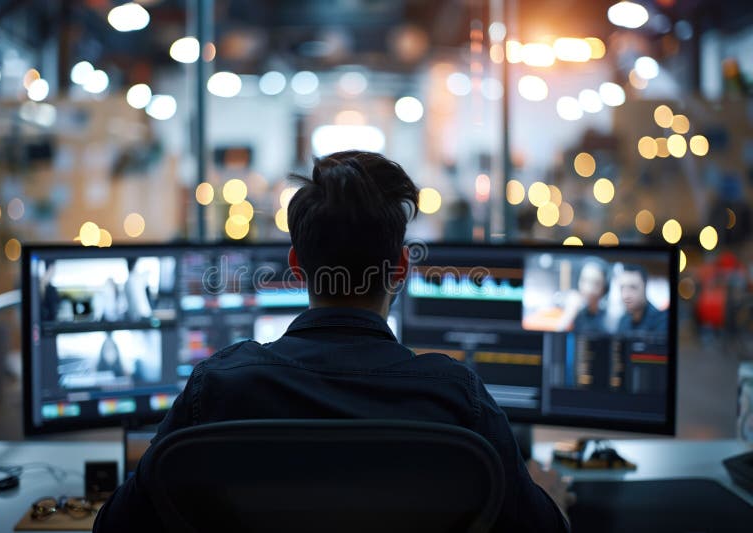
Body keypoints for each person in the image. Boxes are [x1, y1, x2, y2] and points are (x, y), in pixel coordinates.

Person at [94, 151, 572, 532]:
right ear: (402, 267)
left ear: (296, 264)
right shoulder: (455, 398)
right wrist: (548, 492)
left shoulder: (217, 389)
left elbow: (116, 526)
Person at [617, 264, 667, 334]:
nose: (625, 295)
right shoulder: (623, 321)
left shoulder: (661, 321)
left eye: (633, 287)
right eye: (622, 288)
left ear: (645, 287)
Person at [570, 259, 609, 334]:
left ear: (604, 288)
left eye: (595, 283)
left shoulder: (608, 320)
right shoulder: (575, 312)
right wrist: (570, 313)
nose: (588, 289)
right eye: (584, 280)